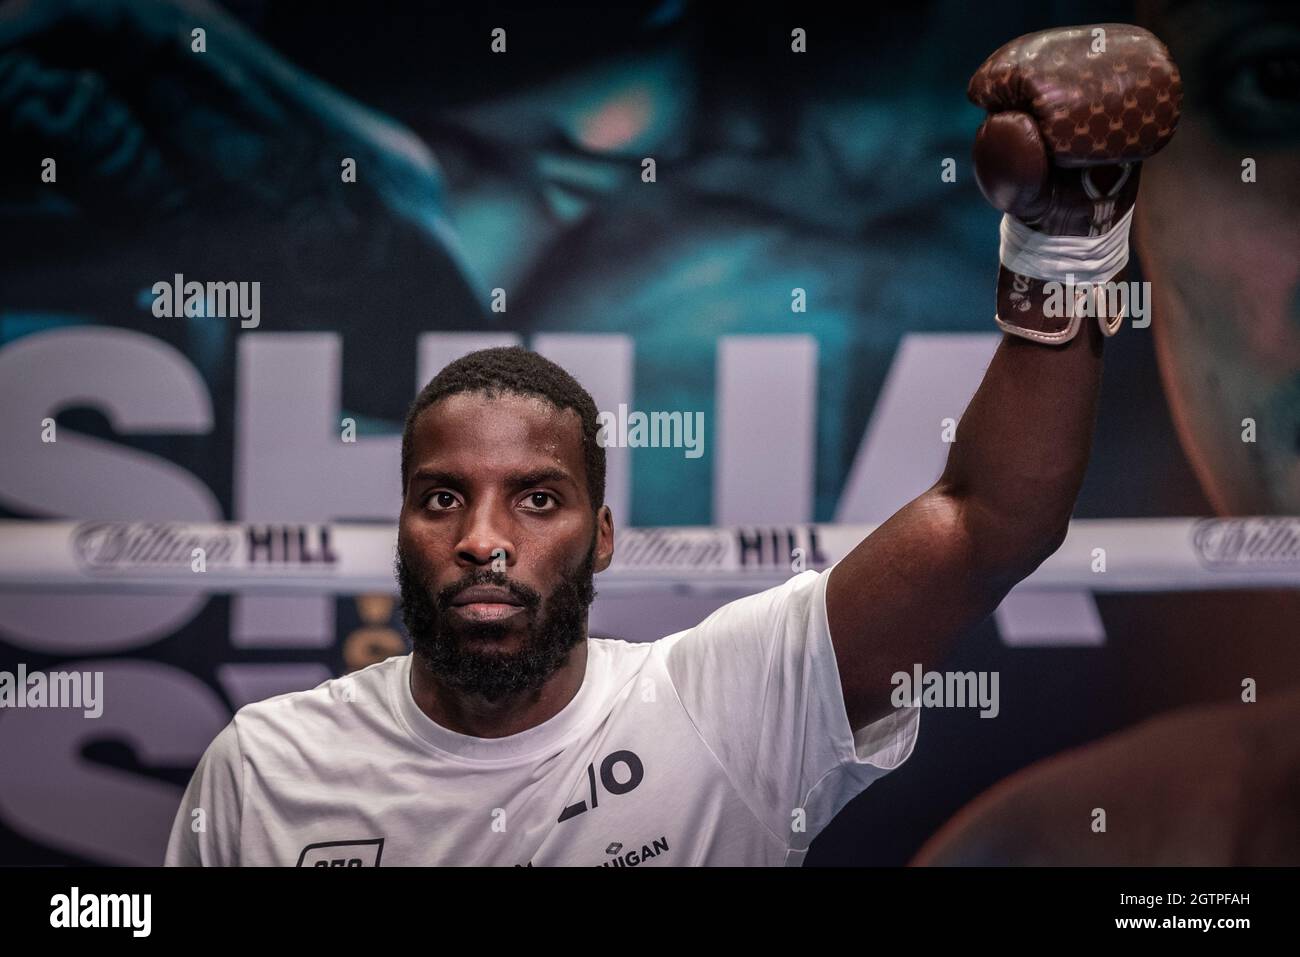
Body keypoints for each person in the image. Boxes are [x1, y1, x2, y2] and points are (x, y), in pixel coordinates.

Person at [165, 23, 1182, 865]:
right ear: (397, 530)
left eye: (535, 498)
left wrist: (1063, 245)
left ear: (601, 535)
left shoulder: (719, 709)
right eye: (441, 498)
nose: (483, 538)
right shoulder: (268, 765)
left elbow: (987, 522)